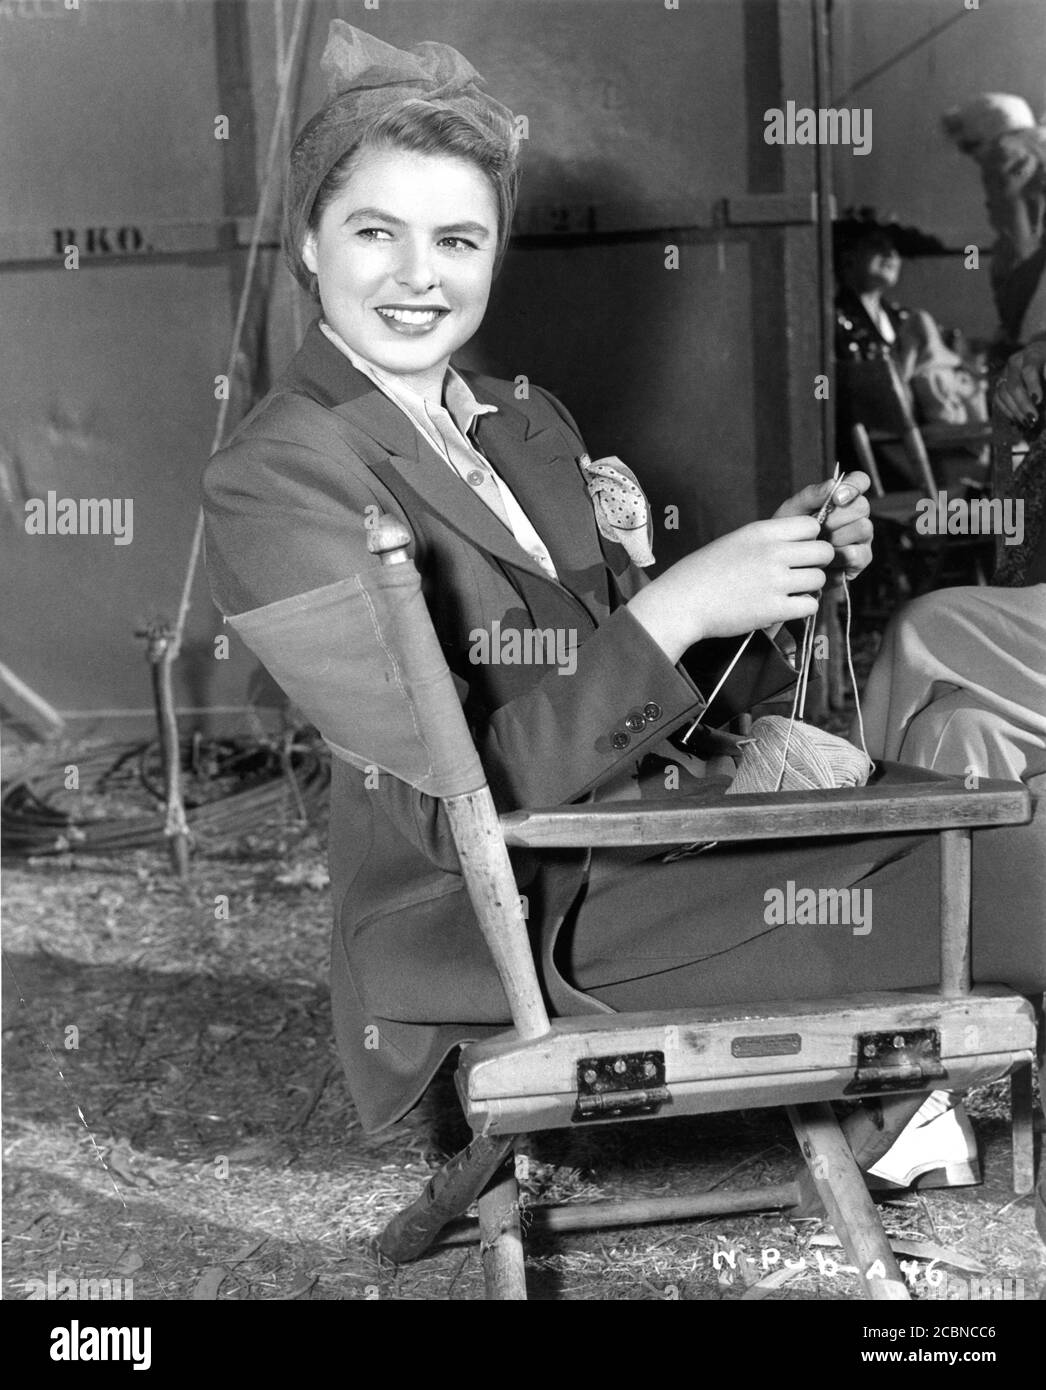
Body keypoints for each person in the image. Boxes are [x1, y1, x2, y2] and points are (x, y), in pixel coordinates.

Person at [203, 23, 1045, 1145]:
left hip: (670, 842)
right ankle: (901, 1119)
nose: (419, 277)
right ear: (308, 246)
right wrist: (680, 603)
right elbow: (455, 809)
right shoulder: (275, 475)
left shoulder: (520, 420)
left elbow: (646, 703)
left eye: (457, 238)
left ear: (495, 253)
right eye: (374, 233)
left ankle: (900, 1125)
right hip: (525, 921)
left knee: (968, 760)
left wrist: (773, 578)